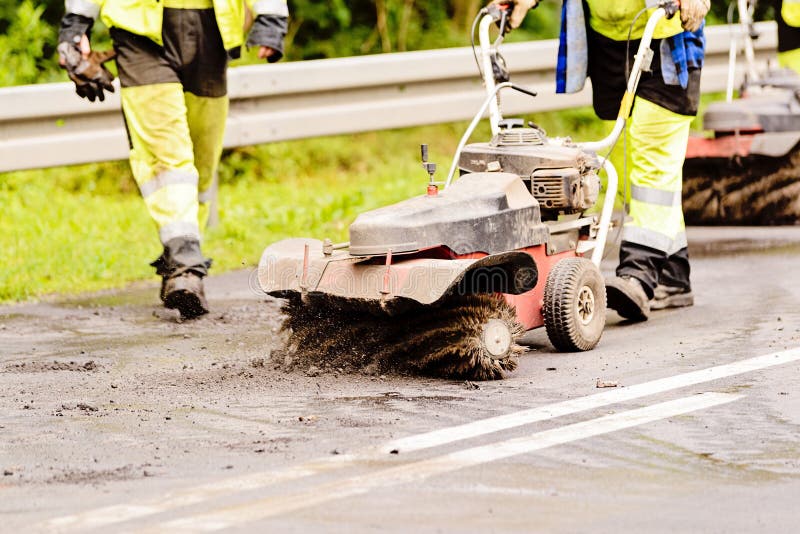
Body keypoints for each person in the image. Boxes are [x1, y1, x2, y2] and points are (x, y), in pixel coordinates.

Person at [58, 0, 289, 319]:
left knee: (200, 160)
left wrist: (271, 15)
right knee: (166, 155)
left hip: (213, 28)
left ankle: (179, 257)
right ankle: (186, 266)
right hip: (138, 28)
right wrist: (76, 23)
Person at [495, 0, 709, 321]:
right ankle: (673, 275)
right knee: (641, 171)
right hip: (609, 42)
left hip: (667, 38)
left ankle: (640, 272)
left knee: (653, 160)